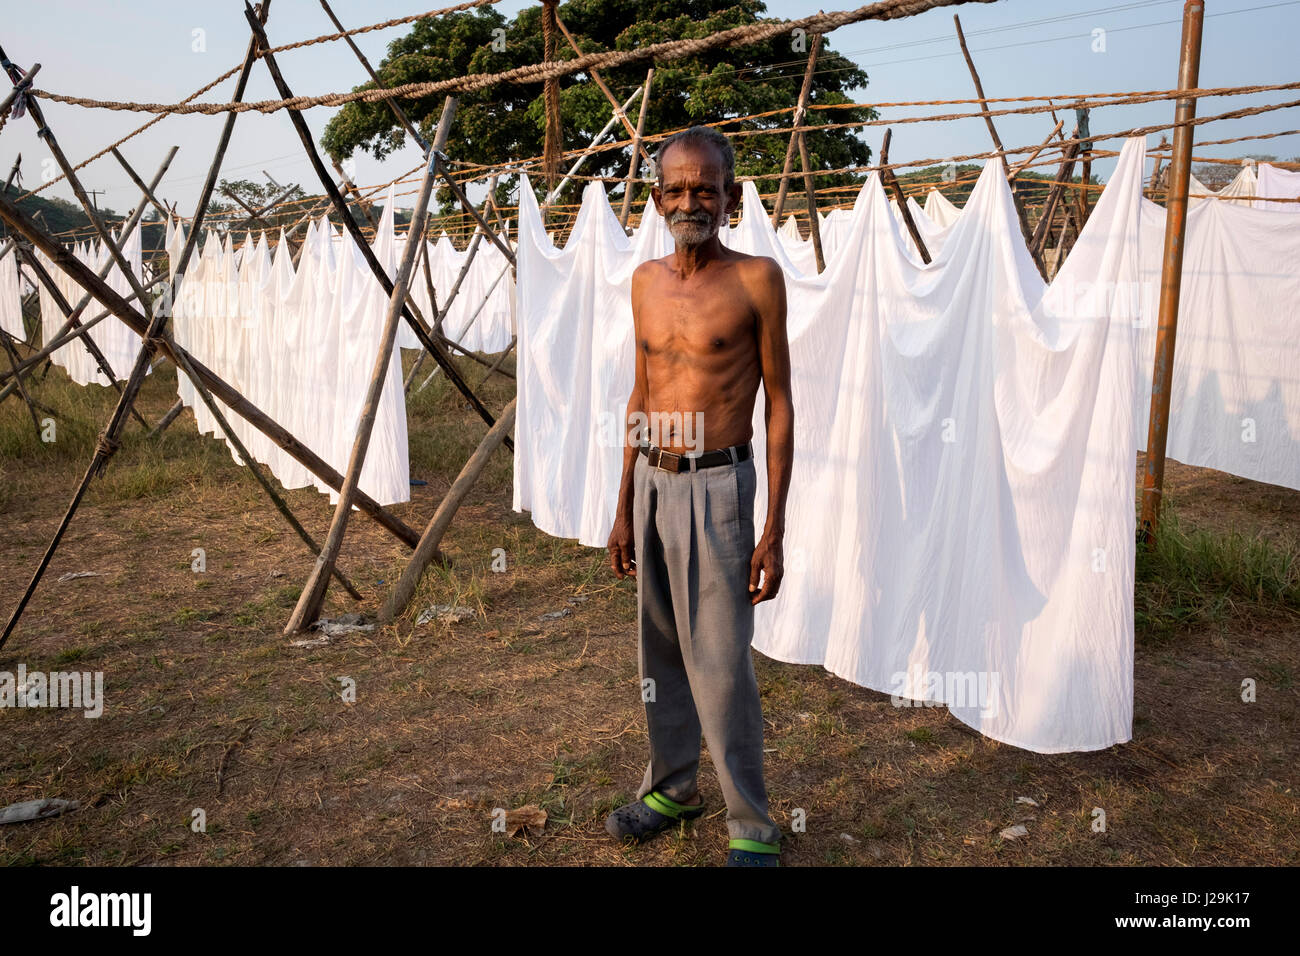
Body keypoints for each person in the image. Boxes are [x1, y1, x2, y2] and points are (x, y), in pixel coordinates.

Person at [603, 126, 794, 867]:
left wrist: (772, 528)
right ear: (657, 199)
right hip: (652, 481)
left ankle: (751, 825)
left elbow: (780, 404)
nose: (692, 201)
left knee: (721, 661)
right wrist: (624, 505)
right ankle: (673, 787)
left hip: (718, 484)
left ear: (731, 197)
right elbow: (642, 394)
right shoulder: (644, 282)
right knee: (660, 652)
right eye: (677, 189)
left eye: (706, 189)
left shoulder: (756, 280)